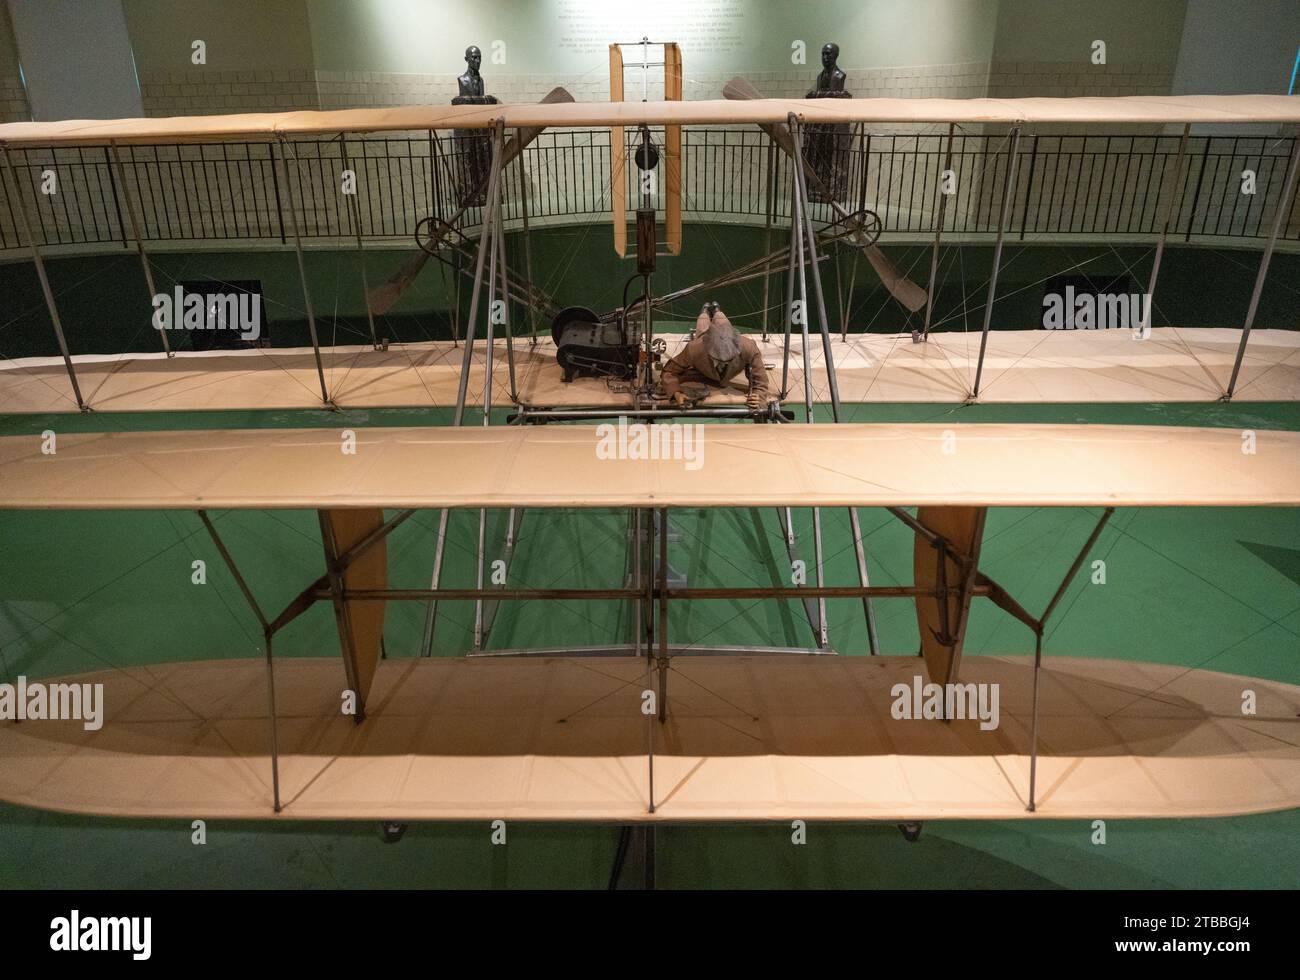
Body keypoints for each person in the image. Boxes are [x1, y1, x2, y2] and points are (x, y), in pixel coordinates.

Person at [659, 303, 771, 411]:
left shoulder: (749, 347)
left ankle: (716, 310)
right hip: (704, 336)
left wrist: (759, 395)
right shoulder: (695, 349)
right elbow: (669, 372)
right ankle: (705, 311)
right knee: (702, 326)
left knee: (721, 318)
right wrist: (676, 392)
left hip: (725, 330)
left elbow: (761, 380)